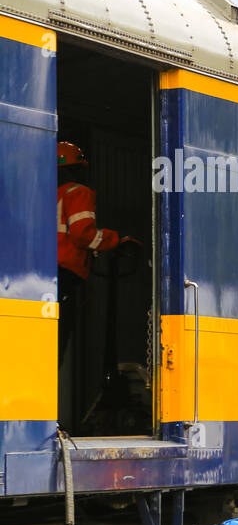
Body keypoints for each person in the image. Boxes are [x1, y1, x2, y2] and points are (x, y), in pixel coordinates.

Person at [56, 141, 129, 362]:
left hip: (44, 274)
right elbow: (83, 234)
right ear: (75, 168)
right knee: (59, 341)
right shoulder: (78, 192)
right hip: (66, 273)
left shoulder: (45, 194)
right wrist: (116, 240)